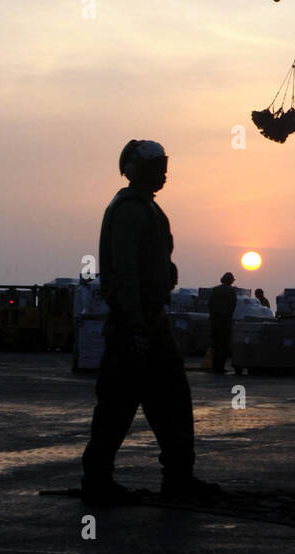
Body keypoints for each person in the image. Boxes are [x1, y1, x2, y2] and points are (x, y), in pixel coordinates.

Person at [81, 140, 221, 505]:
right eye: (157, 167)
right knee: (118, 405)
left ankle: (177, 478)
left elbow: (155, 261)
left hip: (149, 320)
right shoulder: (130, 211)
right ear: (140, 170)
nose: (163, 173)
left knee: (171, 402)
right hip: (136, 323)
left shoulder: (148, 210)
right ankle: (97, 481)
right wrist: (136, 326)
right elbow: (126, 272)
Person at [208, 272, 238, 374]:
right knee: (223, 345)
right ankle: (220, 367)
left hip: (215, 321)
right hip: (225, 321)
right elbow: (233, 306)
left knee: (216, 344)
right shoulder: (231, 291)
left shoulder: (215, 290)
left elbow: (210, 305)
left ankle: (214, 367)